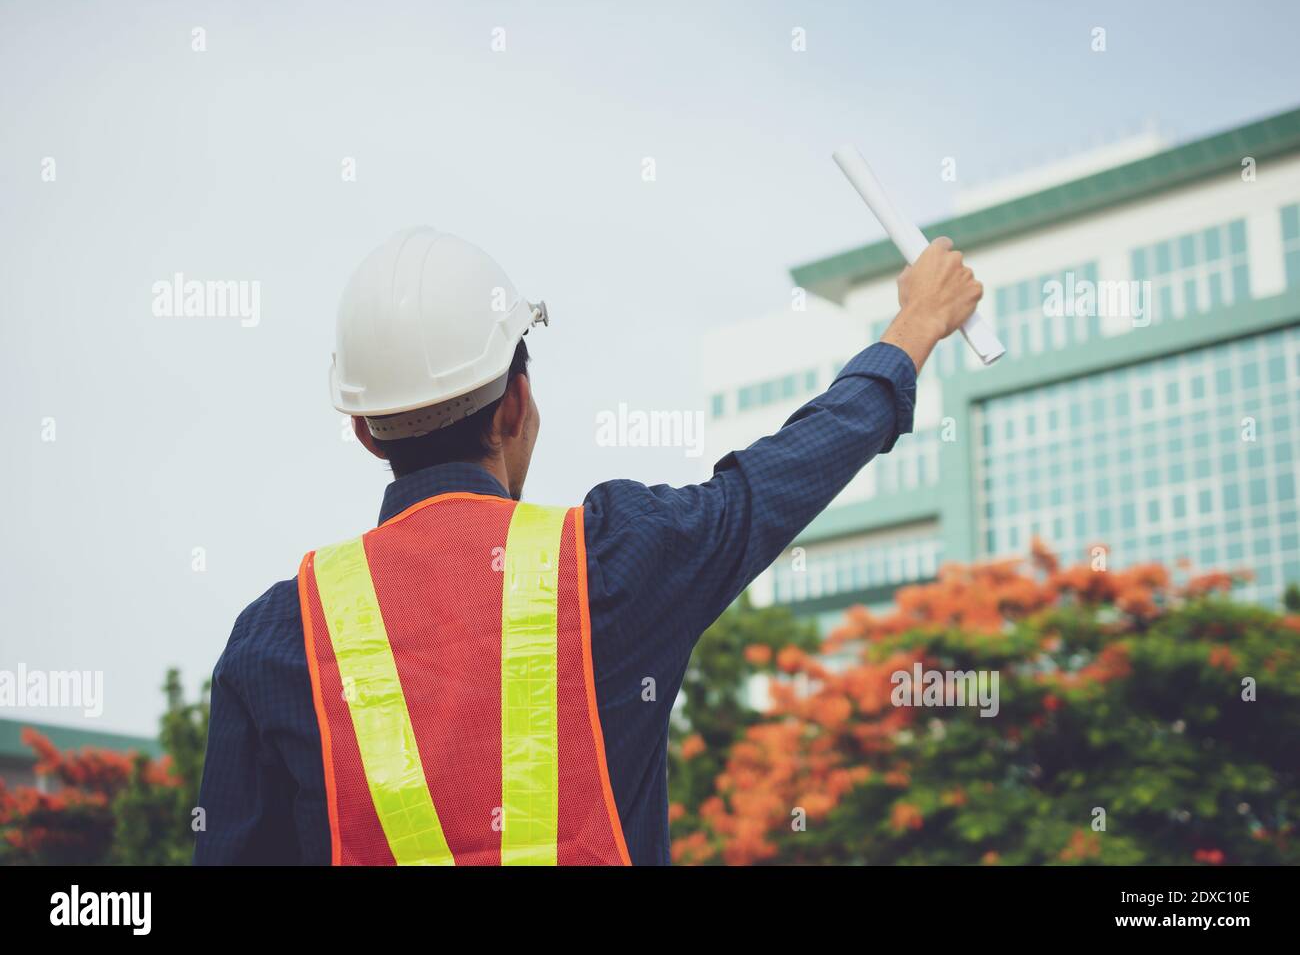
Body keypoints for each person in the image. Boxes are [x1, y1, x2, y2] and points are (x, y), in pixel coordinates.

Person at [194, 226, 983, 865]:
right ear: (517, 405)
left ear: (364, 432)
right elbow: (776, 480)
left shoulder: (274, 638)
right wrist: (914, 328)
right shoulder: (615, 557)